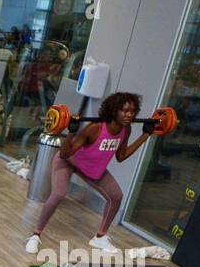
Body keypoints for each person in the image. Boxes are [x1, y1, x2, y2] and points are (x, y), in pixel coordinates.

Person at [26, 92, 155, 255]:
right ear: (114, 110)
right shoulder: (95, 128)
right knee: (59, 194)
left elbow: (121, 156)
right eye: (125, 110)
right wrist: (71, 132)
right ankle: (35, 235)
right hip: (68, 161)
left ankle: (100, 237)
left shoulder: (125, 129)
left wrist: (146, 135)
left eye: (132, 111)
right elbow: (66, 154)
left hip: (90, 168)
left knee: (116, 196)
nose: (129, 115)